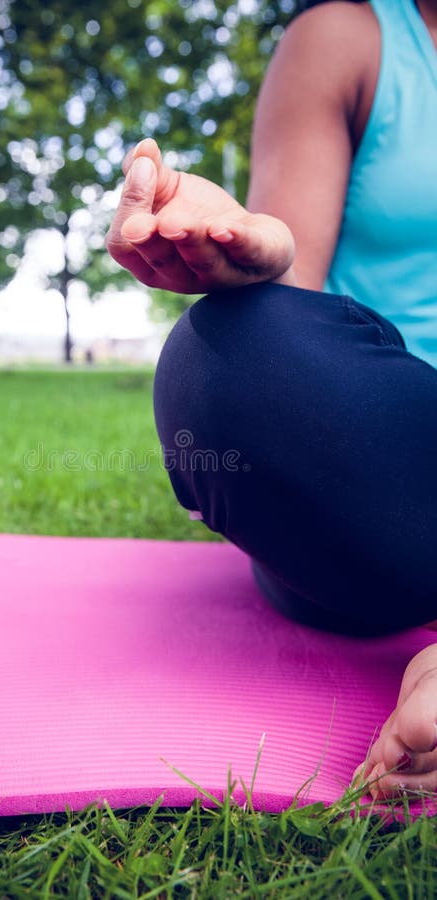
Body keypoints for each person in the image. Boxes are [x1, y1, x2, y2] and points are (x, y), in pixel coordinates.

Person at [105, 0, 437, 802]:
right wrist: (257, 254)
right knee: (225, 359)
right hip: (397, 469)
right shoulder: (350, 39)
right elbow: (296, 296)